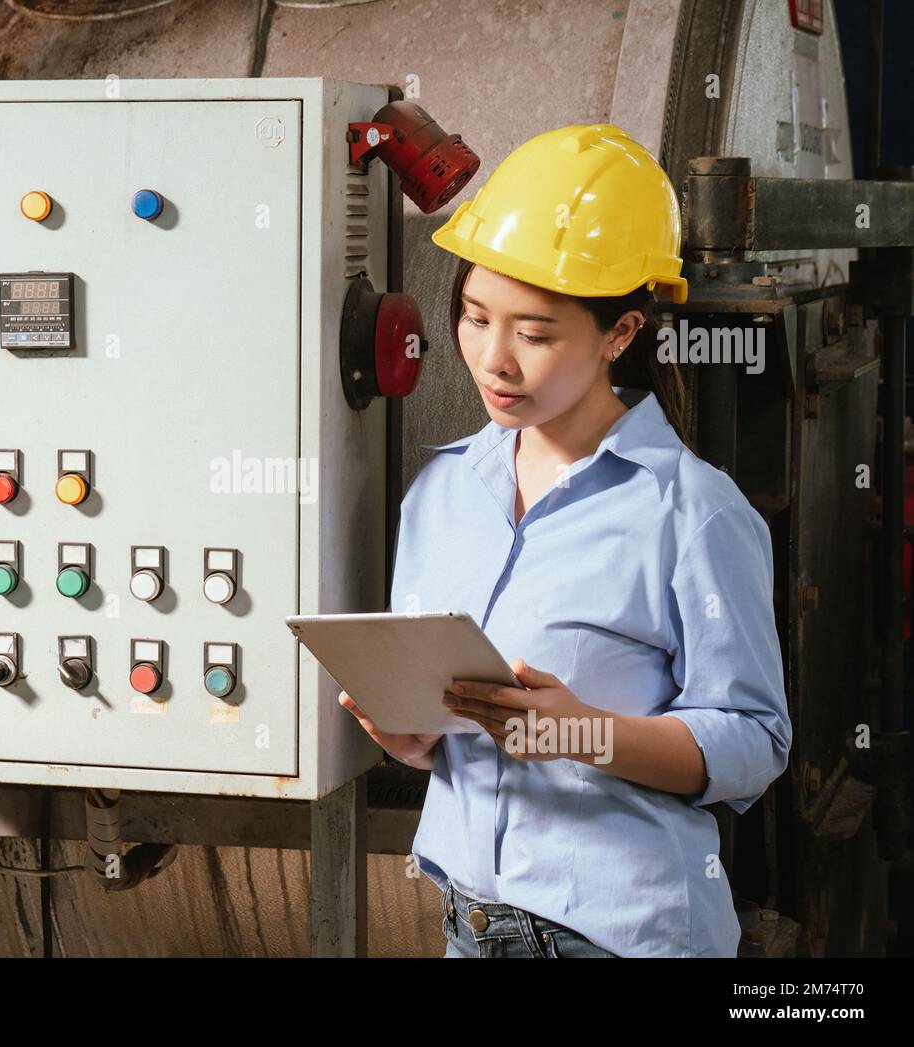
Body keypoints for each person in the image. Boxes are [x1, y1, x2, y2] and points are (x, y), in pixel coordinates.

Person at [339, 124, 792, 958]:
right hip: (466, 924)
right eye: (475, 317)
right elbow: (454, 717)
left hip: (620, 939)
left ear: (619, 333)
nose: (493, 359)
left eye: (535, 334)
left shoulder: (691, 510)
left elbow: (757, 740)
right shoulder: (442, 491)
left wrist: (581, 732)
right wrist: (414, 738)